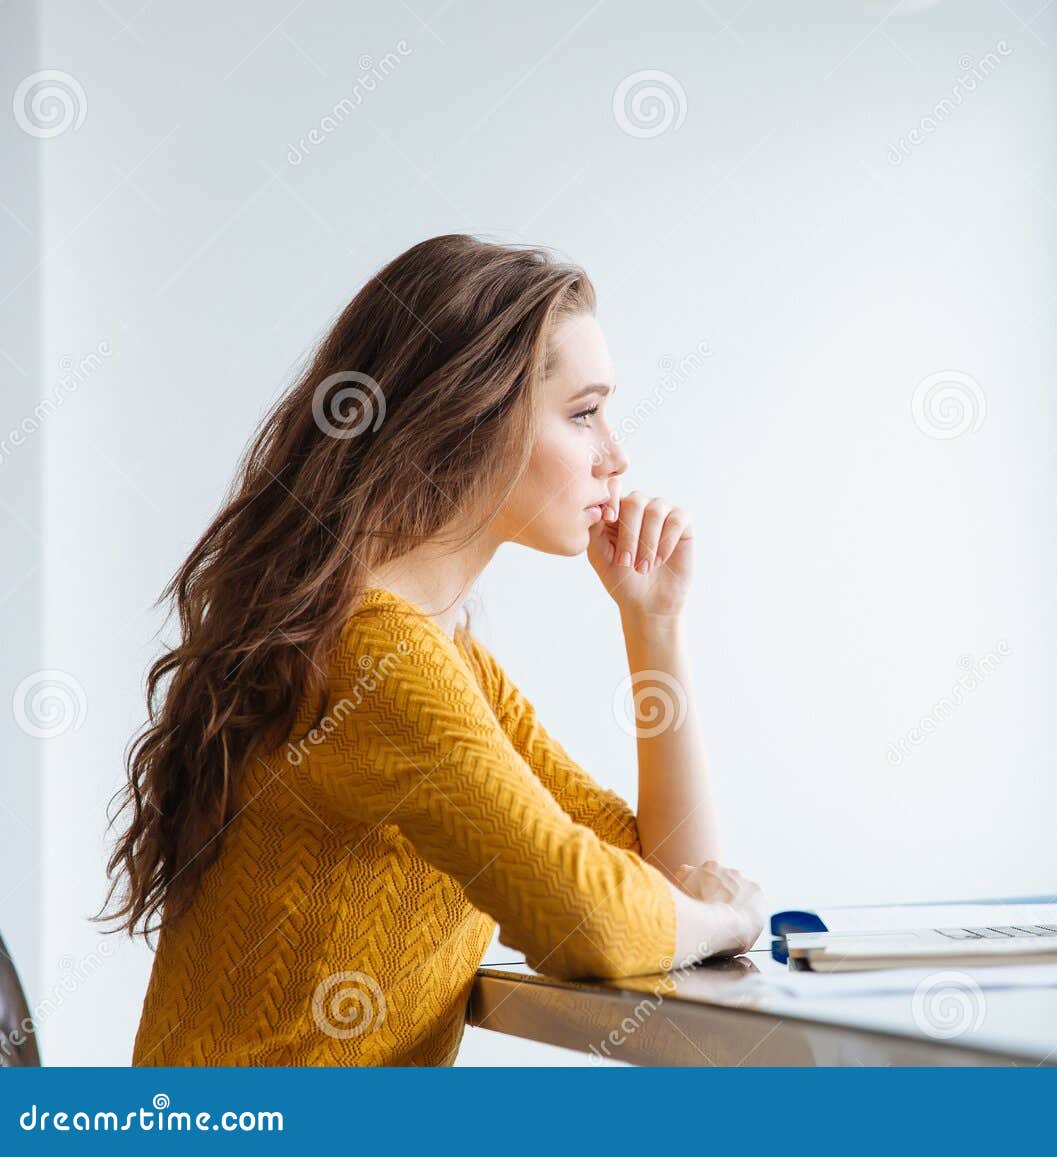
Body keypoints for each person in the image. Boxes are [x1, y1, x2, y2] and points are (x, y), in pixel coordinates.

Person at [101, 234, 766, 1065]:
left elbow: (663, 885)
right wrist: (732, 917)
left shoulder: (434, 652)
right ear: (470, 417)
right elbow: (594, 923)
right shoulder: (374, 656)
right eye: (583, 413)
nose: (616, 455)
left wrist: (654, 624)